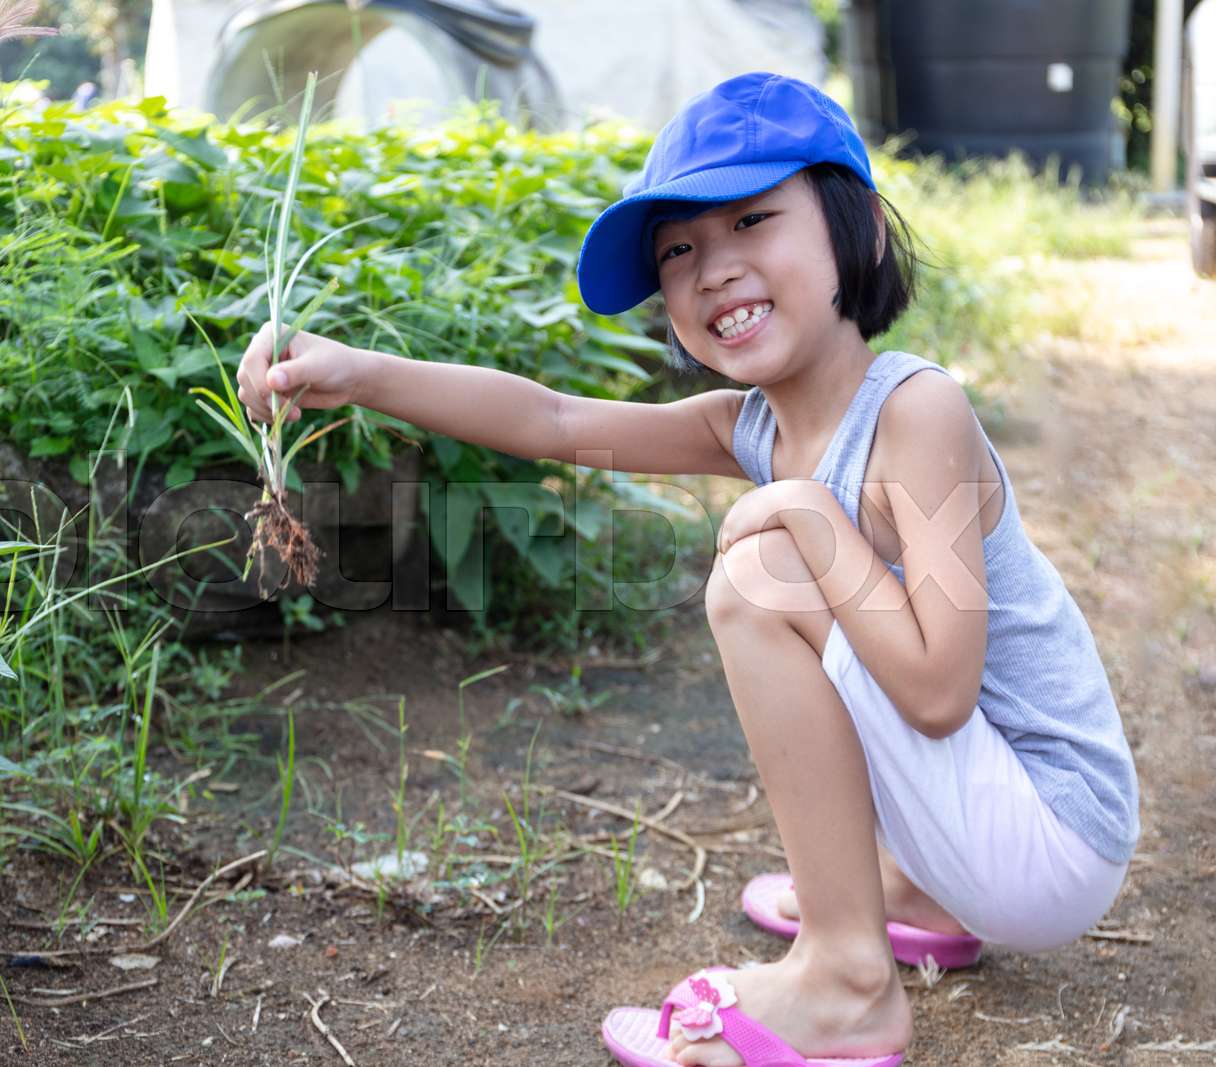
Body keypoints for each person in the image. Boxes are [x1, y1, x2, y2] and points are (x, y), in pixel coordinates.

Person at [230, 71, 1140, 1067]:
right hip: (982, 830)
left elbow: (936, 688)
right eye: (679, 249)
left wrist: (797, 508)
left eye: (753, 220)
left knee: (760, 574)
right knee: (782, 560)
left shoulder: (918, 413)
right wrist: (353, 370)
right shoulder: (747, 424)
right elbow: (553, 420)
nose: (714, 268)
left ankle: (845, 980)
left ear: (861, 231)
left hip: (1053, 834)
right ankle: (908, 891)